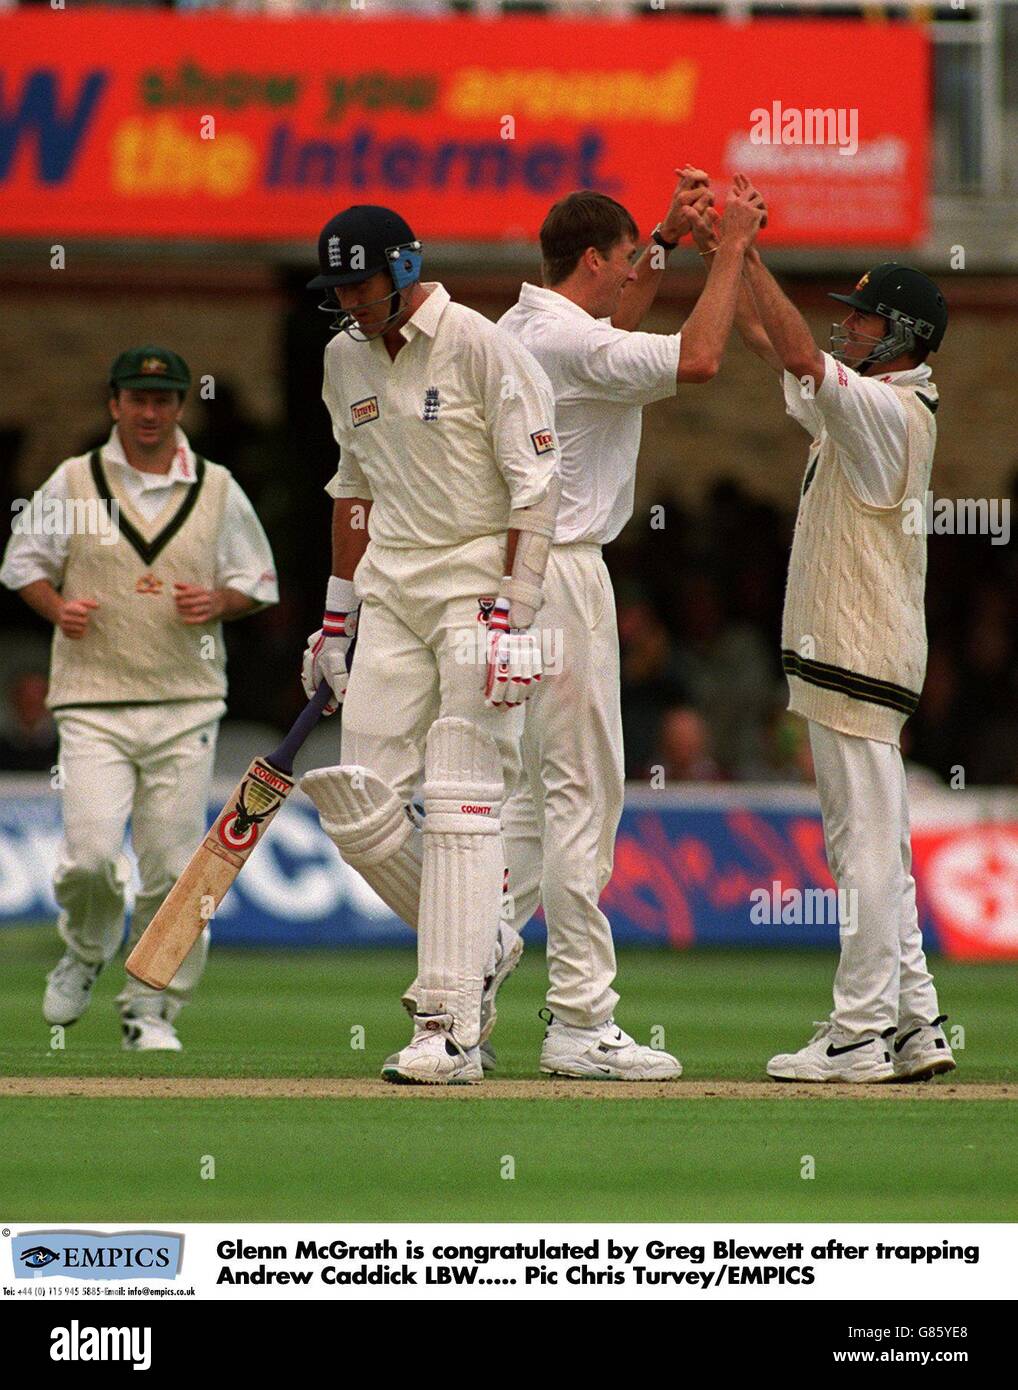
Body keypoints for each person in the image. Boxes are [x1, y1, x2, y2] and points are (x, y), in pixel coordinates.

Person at [494, 174, 764, 1079]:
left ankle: (465, 995)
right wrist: (728, 251)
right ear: (591, 261)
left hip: (514, 575)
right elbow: (697, 359)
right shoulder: (571, 342)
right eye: (625, 263)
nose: (633, 276)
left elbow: (618, 316)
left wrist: (664, 237)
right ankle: (578, 1020)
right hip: (563, 572)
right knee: (583, 795)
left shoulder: (522, 325)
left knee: (530, 804)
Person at [691, 176, 954, 1083]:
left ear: (906, 338)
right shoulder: (867, 405)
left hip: (860, 652)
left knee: (865, 846)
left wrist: (738, 250)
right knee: (877, 842)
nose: (853, 329)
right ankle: (916, 1025)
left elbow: (801, 355)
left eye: (870, 322)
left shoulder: (886, 413)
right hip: (851, 653)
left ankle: (857, 1035)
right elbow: (777, 343)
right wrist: (736, 254)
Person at [297, 205, 561, 1085]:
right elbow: (352, 488)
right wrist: (336, 618)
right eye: (336, 286)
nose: (348, 301)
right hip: (391, 592)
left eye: (360, 283)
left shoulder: (481, 345)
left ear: (405, 269)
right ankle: (481, 937)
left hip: (476, 583)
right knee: (357, 800)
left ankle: (446, 1025)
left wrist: (513, 609)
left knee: (459, 791)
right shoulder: (344, 358)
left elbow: (537, 484)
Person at [0, 347, 278, 1050]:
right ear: (115, 405)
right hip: (93, 700)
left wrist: (220, 598)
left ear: (180, 407)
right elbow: (22, 564)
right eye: (136, 399)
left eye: (163, 401)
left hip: (185, 703)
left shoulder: (215, 487)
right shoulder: (73, 480)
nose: (149, 413)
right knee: (90, 857)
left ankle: (150, 1008)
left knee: (172, 869)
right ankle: (86, 950)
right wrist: (56, 606)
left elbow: (259, 579)